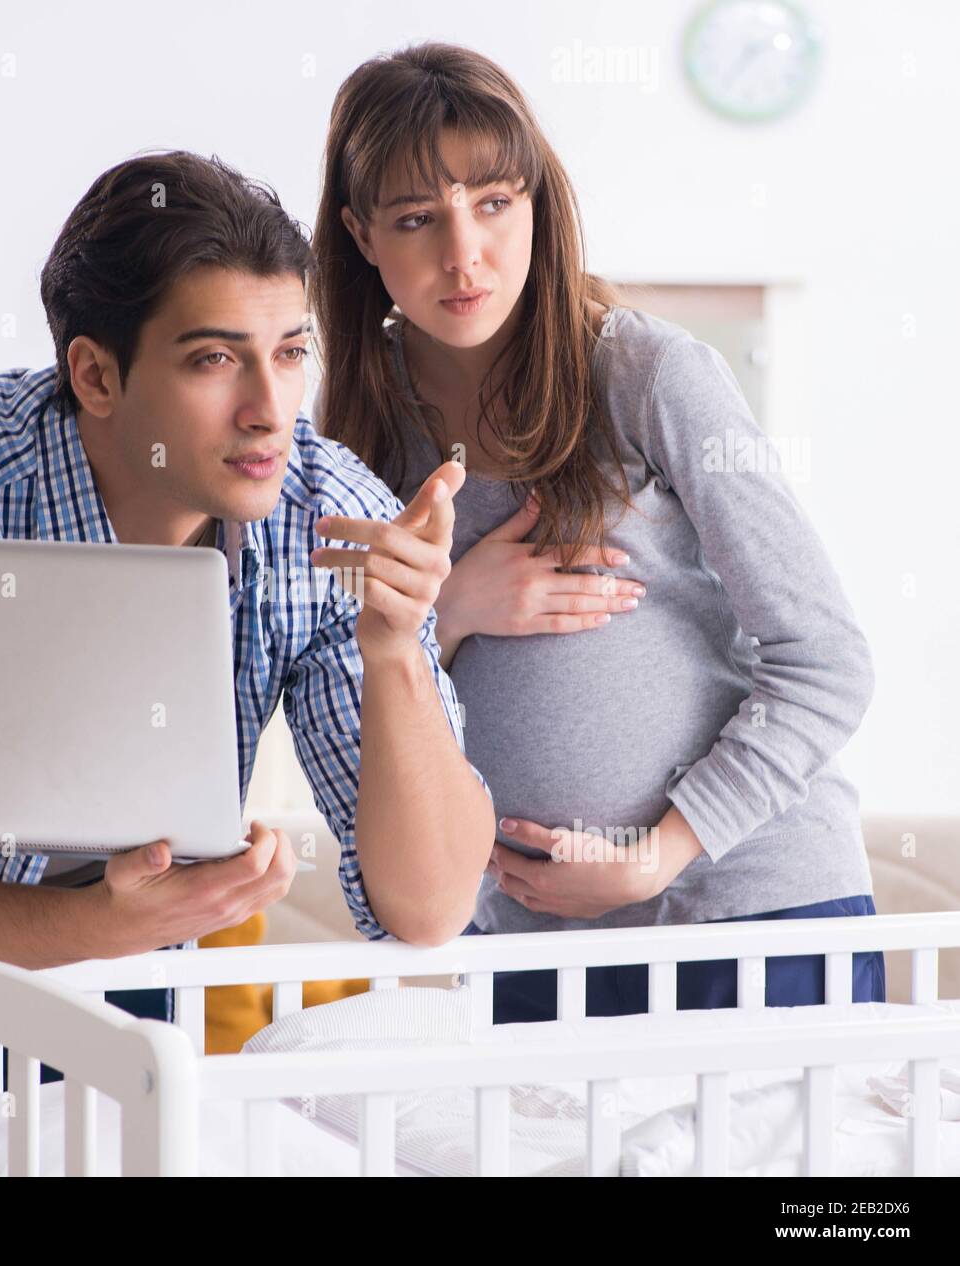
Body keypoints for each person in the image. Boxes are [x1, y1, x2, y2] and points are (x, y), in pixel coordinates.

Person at [0, 149, 495, 1175]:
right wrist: (86, 923)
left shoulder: (321, 506)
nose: (270, 408)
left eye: (292, 351)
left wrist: (393, 647)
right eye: (214, 360)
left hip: (138, 903)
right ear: (95, 373)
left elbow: (427, 907)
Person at [310, 41, 885, 1023]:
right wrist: (447, 611)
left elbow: (826, 661)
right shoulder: (354, 438)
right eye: (416, 220)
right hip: (530, 947)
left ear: (536, 198)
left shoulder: (650, 376)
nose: (464, 254)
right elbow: (350, 709)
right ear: (363, 235)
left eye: (493, 202)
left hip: (747, 912)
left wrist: (657, 856)